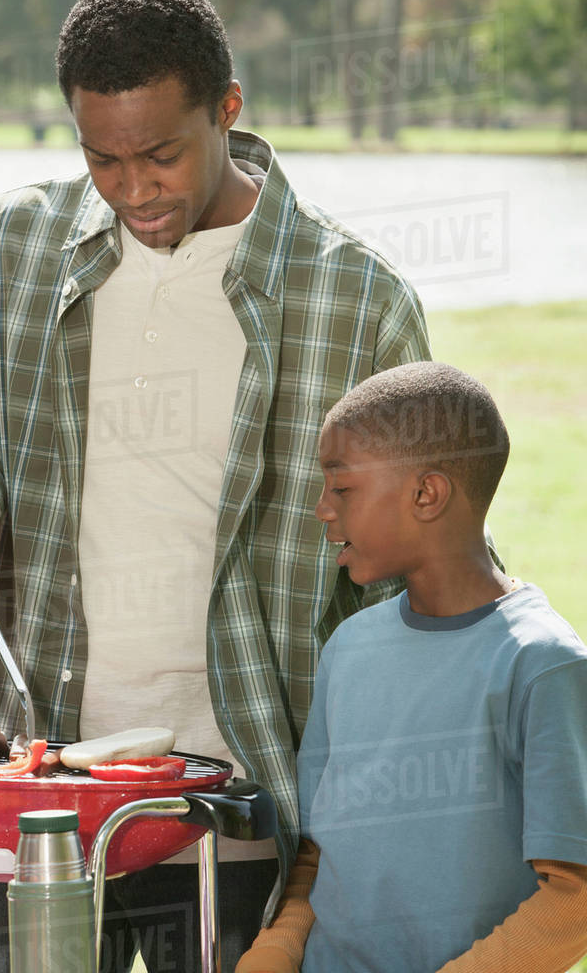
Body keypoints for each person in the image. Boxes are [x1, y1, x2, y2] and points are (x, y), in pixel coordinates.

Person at [0, 0, 431, 972]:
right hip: (39, 791)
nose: (133, 188)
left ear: (226, 109)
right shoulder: (9, 248)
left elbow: (414, 565)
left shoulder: (354, 300)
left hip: (249, 804)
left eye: (160, 154)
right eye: (102, 159)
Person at [236, 361, 587, 973]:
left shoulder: (540, 665)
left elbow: (575, 897)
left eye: (341, 488)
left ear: (427, 493)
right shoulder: (348, 647)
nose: (321, 510)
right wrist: (278, 947)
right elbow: (321, 851)